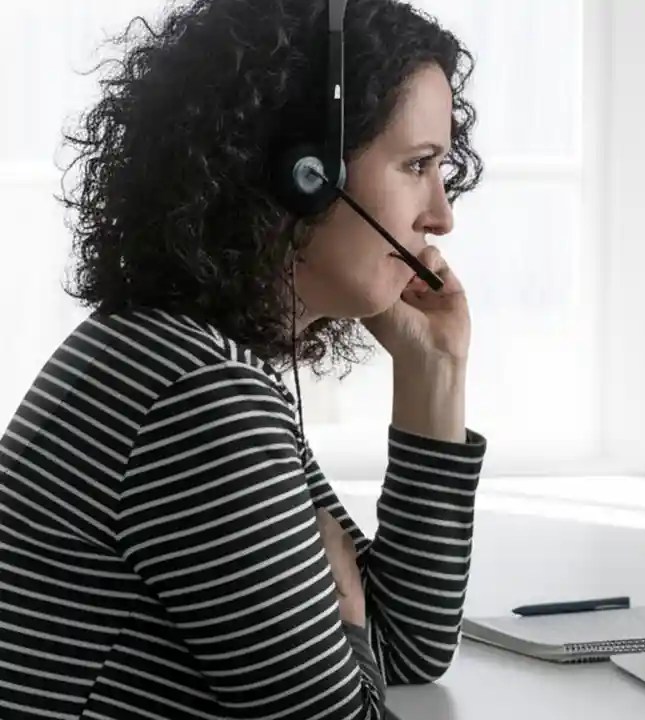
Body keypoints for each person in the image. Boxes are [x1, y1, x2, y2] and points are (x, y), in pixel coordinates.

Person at [0, 0, 486, 718]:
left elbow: (405, 647)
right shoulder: (199, 398)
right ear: (304, 173)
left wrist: (433, 372)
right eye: (416, 165)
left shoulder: (183, 355)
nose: (441, 215)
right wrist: (343, 601)